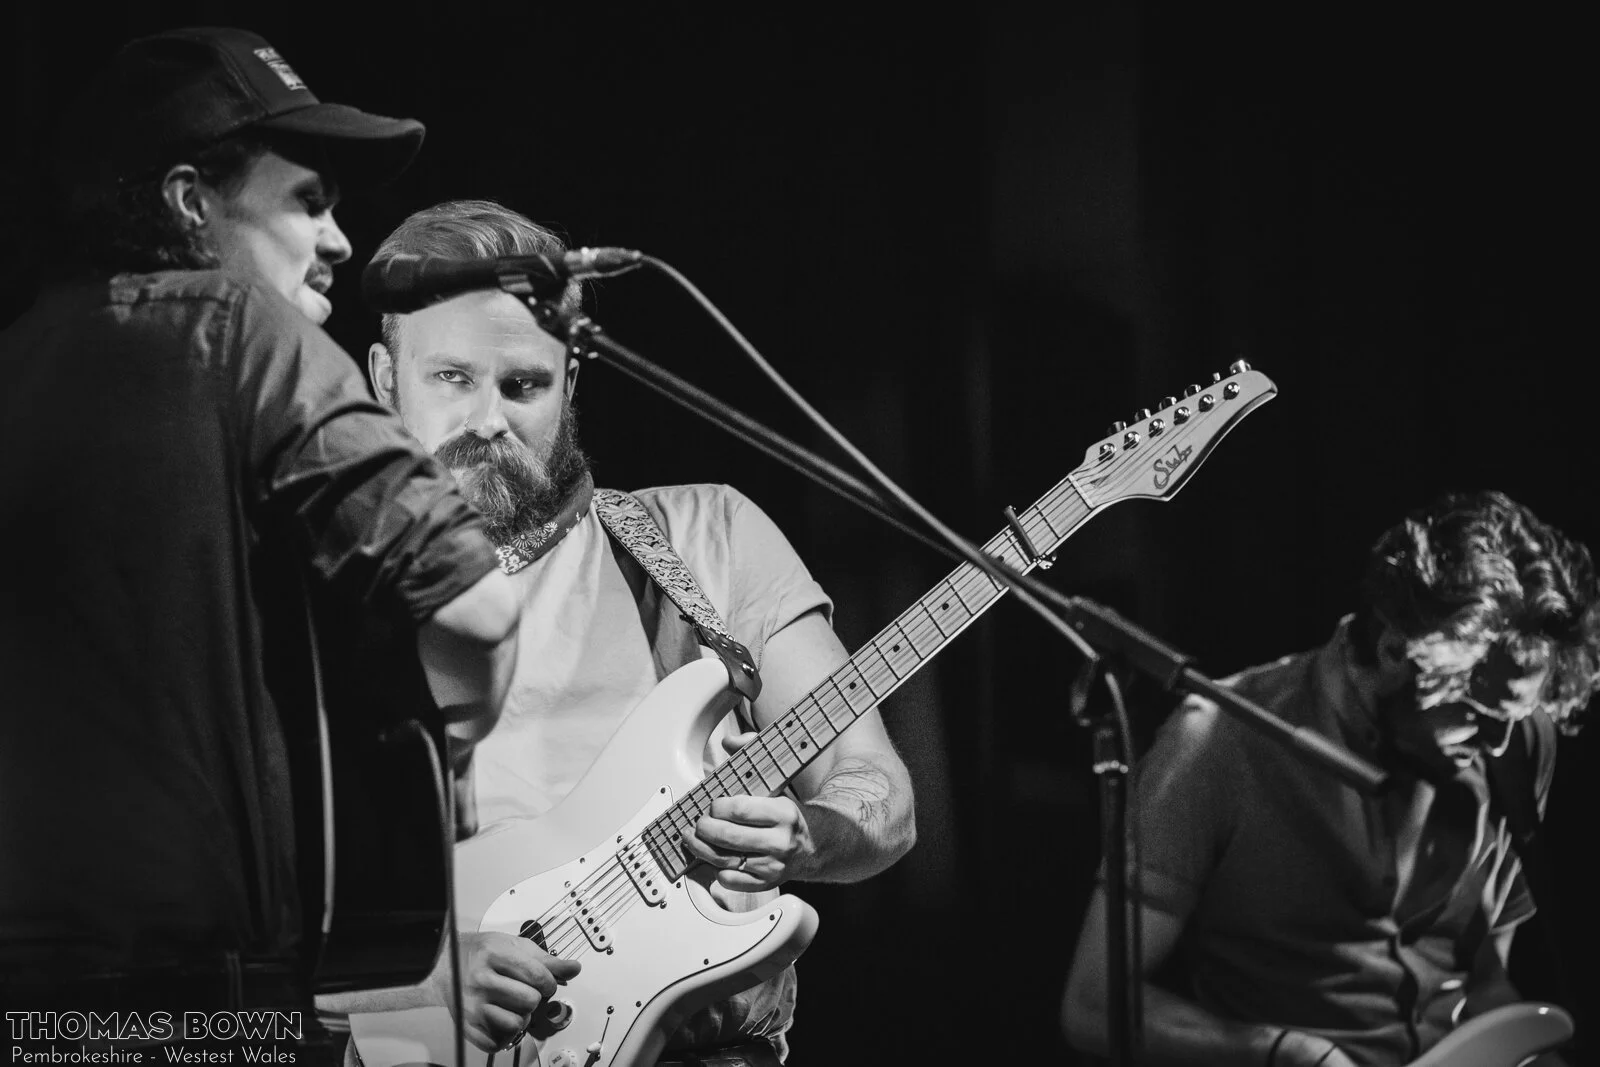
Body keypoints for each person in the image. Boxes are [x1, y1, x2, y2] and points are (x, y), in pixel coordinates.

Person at [0, 29, 522, 1022]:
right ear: (190, 203)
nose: (341, 241)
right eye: (309, 201)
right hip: (212, 1008)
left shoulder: (18, 363)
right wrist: (441, 754)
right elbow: (479, 608)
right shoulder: (240, 326)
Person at [320, 199, 918, 1065]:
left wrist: (811, 833)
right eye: (452, 377)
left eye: (524, 384)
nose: (489, 418)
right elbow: (243, 917)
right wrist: (420, 971)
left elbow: (879, 788)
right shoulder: (319, 594)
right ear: (384, 376)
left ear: (573, 378)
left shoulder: (705, 536)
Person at [1061, 490, 1600, 1065]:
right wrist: (1286, 1054)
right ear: (1398, 646)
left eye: (1516, 716)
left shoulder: (1519, 740)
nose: (1497, 743)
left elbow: (1485, 978)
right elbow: (1095, 1008)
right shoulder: (1217, 740)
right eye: (1478, 713)